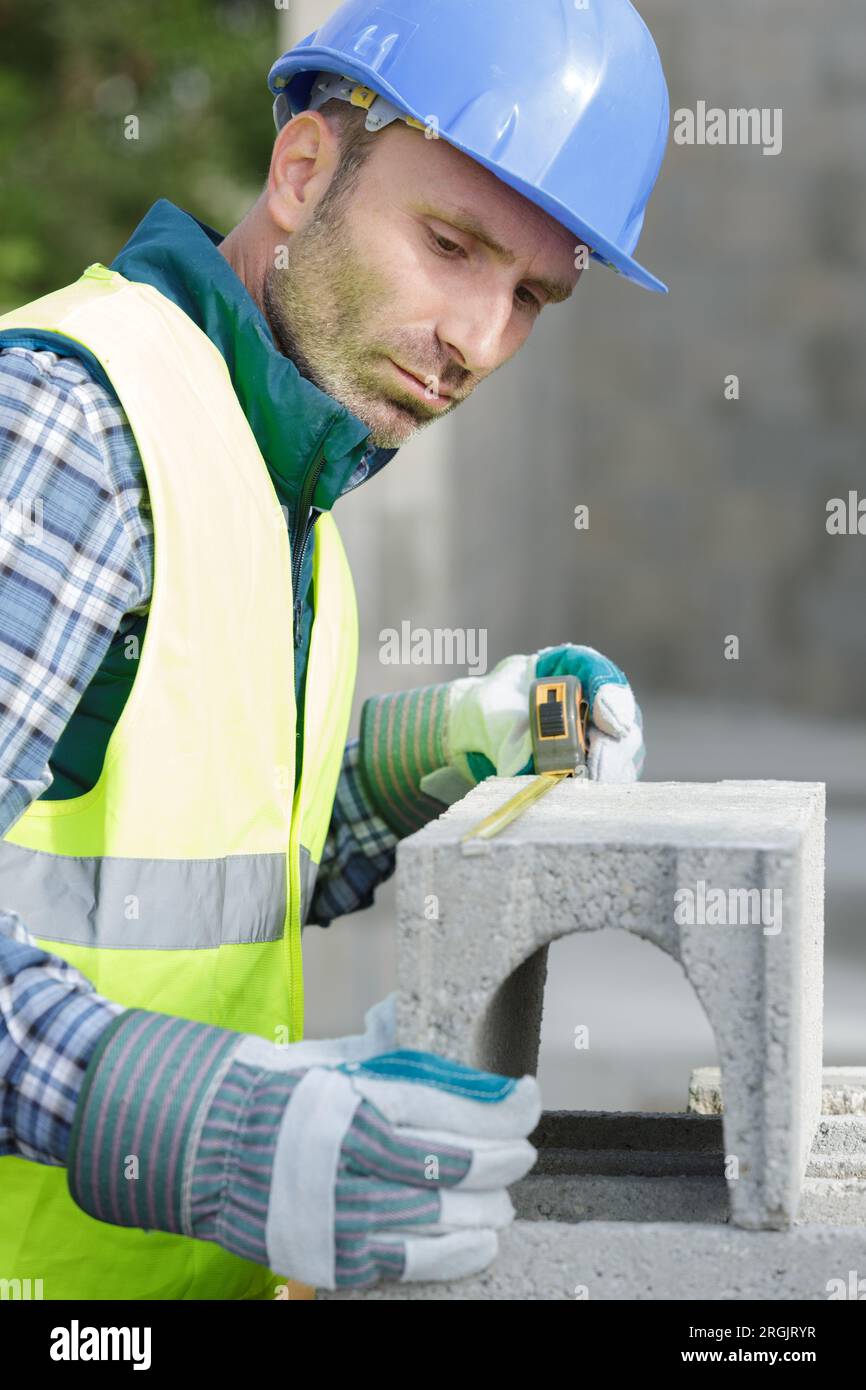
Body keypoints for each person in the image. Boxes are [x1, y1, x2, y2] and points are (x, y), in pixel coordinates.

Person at [0, 0, 669, 1298]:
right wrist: (196, 1125)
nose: (476, 343)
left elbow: (213, 861)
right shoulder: (68, 431)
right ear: (304, 173)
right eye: (449, 244)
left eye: (528, 294)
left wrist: (460, 738)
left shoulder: (280, 483)